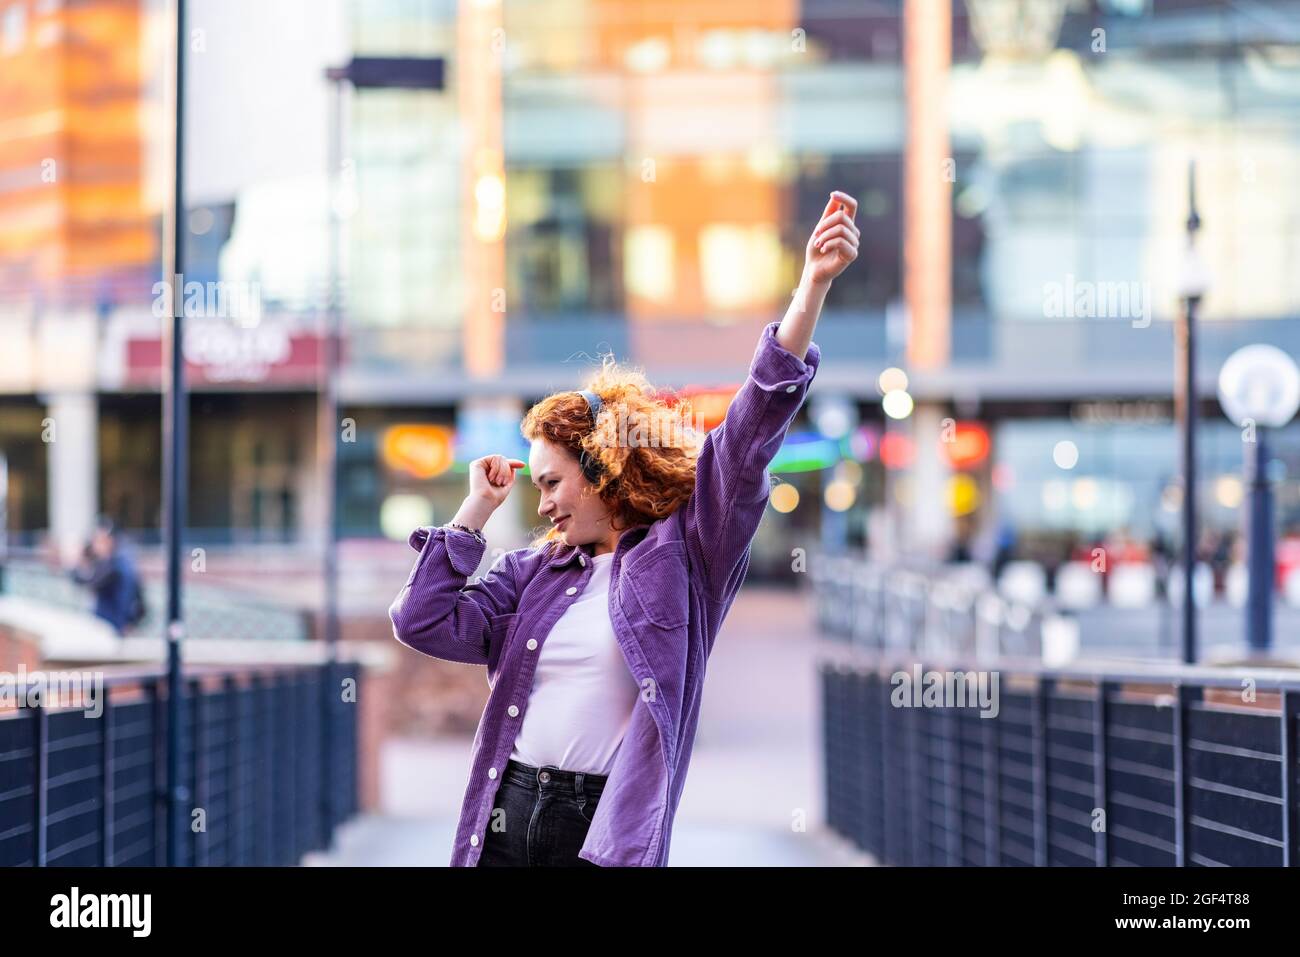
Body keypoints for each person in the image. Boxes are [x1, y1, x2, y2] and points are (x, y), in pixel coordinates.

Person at [388, 190, 860, 867]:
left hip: (600, 830)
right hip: (505, 809)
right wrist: (473, 515)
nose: (543, 503)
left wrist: (810, 285)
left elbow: (749, 430)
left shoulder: (689, 552)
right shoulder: (535, 572)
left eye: (551, 482)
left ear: (603, 467)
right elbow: (421, 621)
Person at [69, 518, 144, 636]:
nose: (95, 545)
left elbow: (88, 580)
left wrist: (81, 562)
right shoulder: (119, 563)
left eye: (99, 540)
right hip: (113, 625)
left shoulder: (115, 565)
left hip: (111, 627)